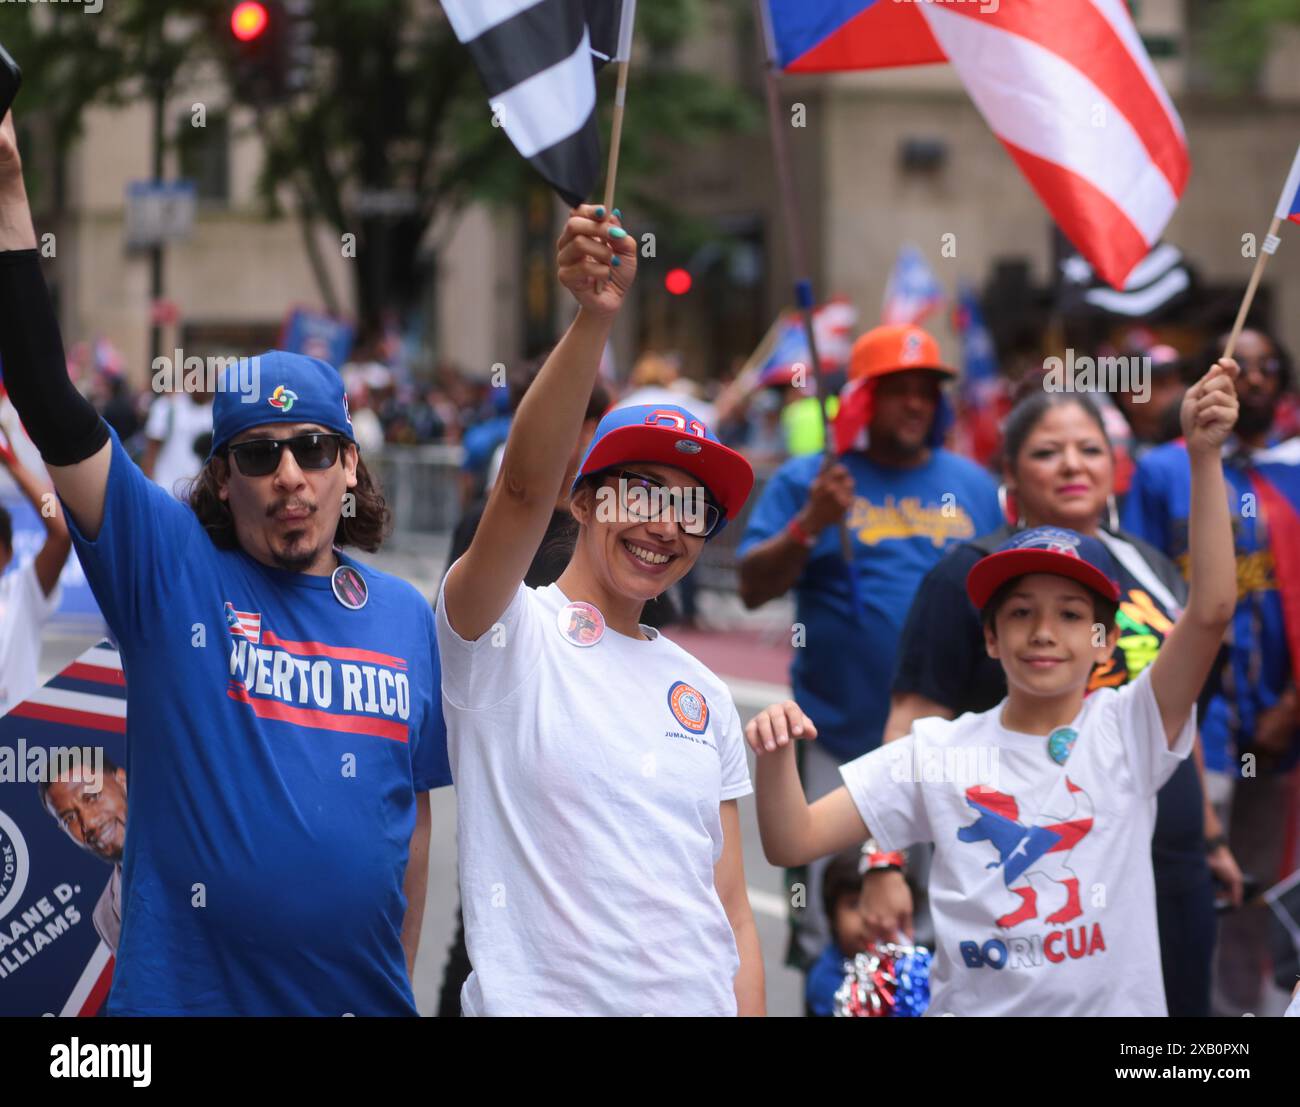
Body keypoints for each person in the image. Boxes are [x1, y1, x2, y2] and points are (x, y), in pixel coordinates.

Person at [0, 111, 449, 1016]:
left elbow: (410, 828)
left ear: (350, 465)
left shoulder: (406, 616)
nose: (290, 475)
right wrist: (11, 196)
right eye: (258, 454)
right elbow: (50, 401)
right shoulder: (169, 576)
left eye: (315, 450)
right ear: (222, 479)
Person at [744, 355, 1239, 1015]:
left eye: (1070, 614)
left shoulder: (1131, 726)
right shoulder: (936, 750)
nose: (1043, 632)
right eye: (1020, 613)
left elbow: (1209, 611)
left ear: (1105, 641)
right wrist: (776, 754)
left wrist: (1205, 457)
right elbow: (791, 839)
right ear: (989, 637)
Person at [437, 204, 765, 1016]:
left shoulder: (703, 694)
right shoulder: (505, 636)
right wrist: (592, 319)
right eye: (641, 491)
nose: (664, 524)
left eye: (693, 508)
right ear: (580, 502)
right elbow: (517, 492)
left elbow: (729, 910)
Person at [876, 387, 1238, 1016]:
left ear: (1114, 466)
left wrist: (1208, 838)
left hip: (1169, 864)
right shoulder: (969, 572)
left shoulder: (1148, 565)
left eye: (1090, 449)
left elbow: (1177, 709)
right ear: (1011, 473)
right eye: (1048, 452)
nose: (1073, 464)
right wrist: (882, 863)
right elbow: (913, 722)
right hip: (1044, 879)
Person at [736, 323, 1001, 968]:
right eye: (896, 390)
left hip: (948, 750)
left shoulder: (969, 483)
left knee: (936, 930)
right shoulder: (813, 479)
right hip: (834, 740)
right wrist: (810, 526)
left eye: (926, 390)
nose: (915, 403)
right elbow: (750, 586)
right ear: (860, 399)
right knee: (832, 931)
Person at [1124, 326, 1300, 1016]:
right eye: (1239, 366)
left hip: (1282, 725)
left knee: (1261, 885)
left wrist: (1291, 704)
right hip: (1200, 722)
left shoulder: (1292, 475)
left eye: (1267, 367)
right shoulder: (1168, 469)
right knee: (1191, 879)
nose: (1253, 379)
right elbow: (1142, 586)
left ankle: (1246, 1017)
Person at [0, 428, 71, 714]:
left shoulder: (22, 591)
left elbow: (61, 530)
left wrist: (13, 465)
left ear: (7, 553)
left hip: (16, 750)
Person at [41, 756, 127, 952]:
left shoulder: (203, 826)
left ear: (123, 780)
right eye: (69, 818)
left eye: (92, 796)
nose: (89, 823)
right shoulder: (106, 918)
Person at [804, 847, 878, 1017]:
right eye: (854, 905)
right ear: (832, 916)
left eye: (875, 903)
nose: (868, 918)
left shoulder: (908, 963)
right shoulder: (825, 979)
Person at [140, 382, 213, 500]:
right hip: (166, 495)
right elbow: (150, 454)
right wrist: (147, 494)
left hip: (200, 499)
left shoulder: (216, 410)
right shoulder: (167, 407)